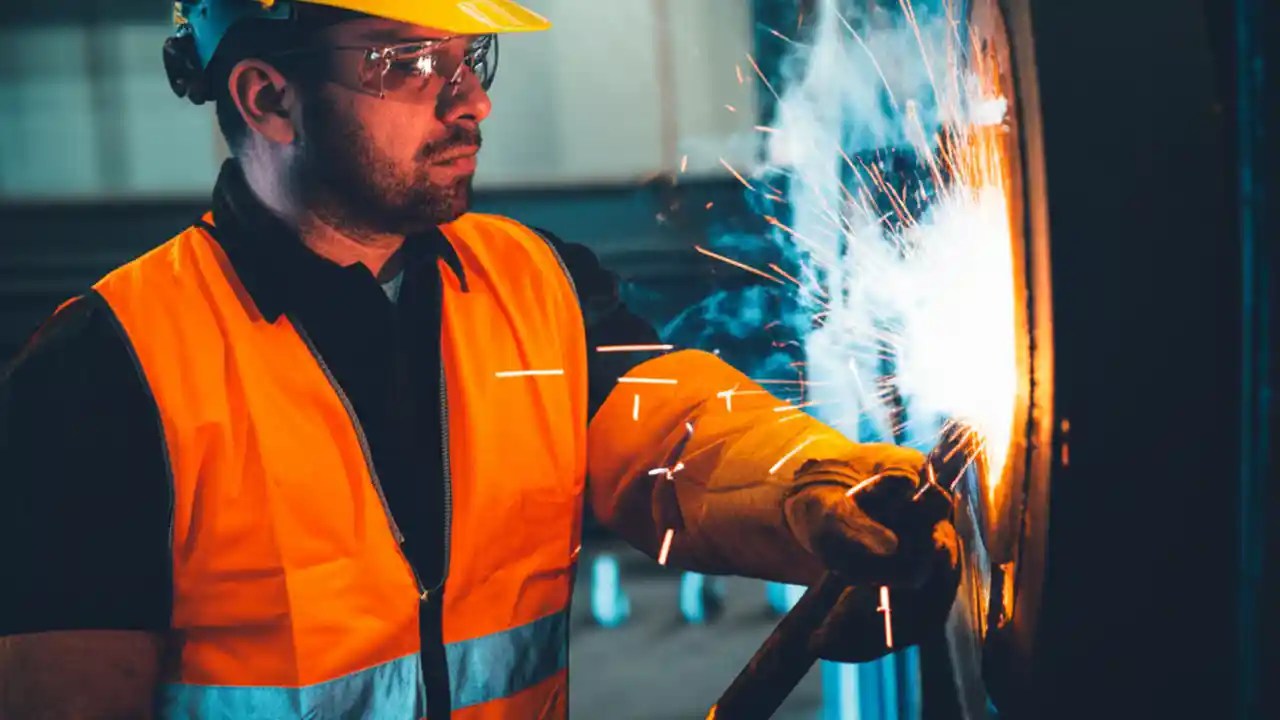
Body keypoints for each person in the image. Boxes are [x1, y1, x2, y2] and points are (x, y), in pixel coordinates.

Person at [0, 2, 960, 718]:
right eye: (410, 61)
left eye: (470, 57)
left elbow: (682, 438)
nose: (473, 102)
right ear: (268, 97)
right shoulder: (105, 371)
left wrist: (820, 492)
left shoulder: (537, 285)